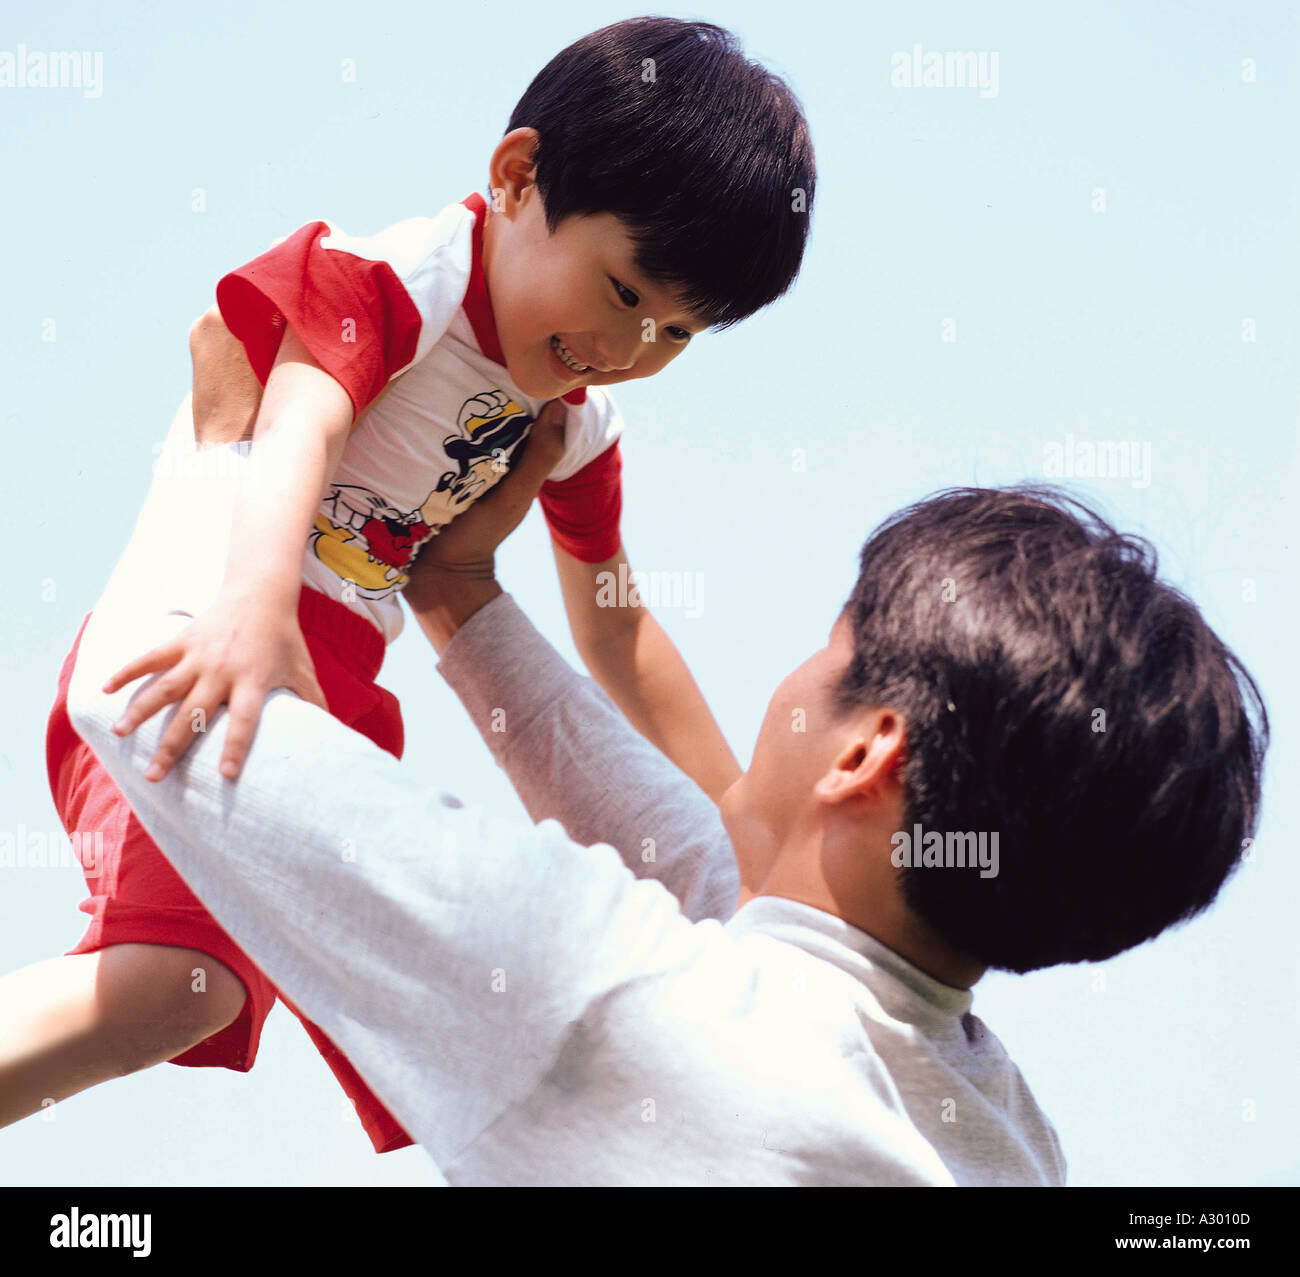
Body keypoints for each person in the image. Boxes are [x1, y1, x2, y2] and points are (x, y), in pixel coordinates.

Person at [45, 426, 1268, 1183]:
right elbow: (730, 889)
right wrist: (458, 594)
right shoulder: (996, 1126)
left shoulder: (616, 1007)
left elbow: (134, 691)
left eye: (827, 651)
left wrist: (219, 451)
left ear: (867, 749)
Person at [0, 17, 815, 1151]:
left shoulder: (573, 423)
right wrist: (252, 601)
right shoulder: (407, 277)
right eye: (625, 294)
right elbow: (301, 412)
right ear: (517, 177)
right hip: (197, 636)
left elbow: (618, 628)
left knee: (422, 1042)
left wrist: (743, 828)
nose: (628, 348)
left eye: (677, 333)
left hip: (327, 702)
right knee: (180, 986)